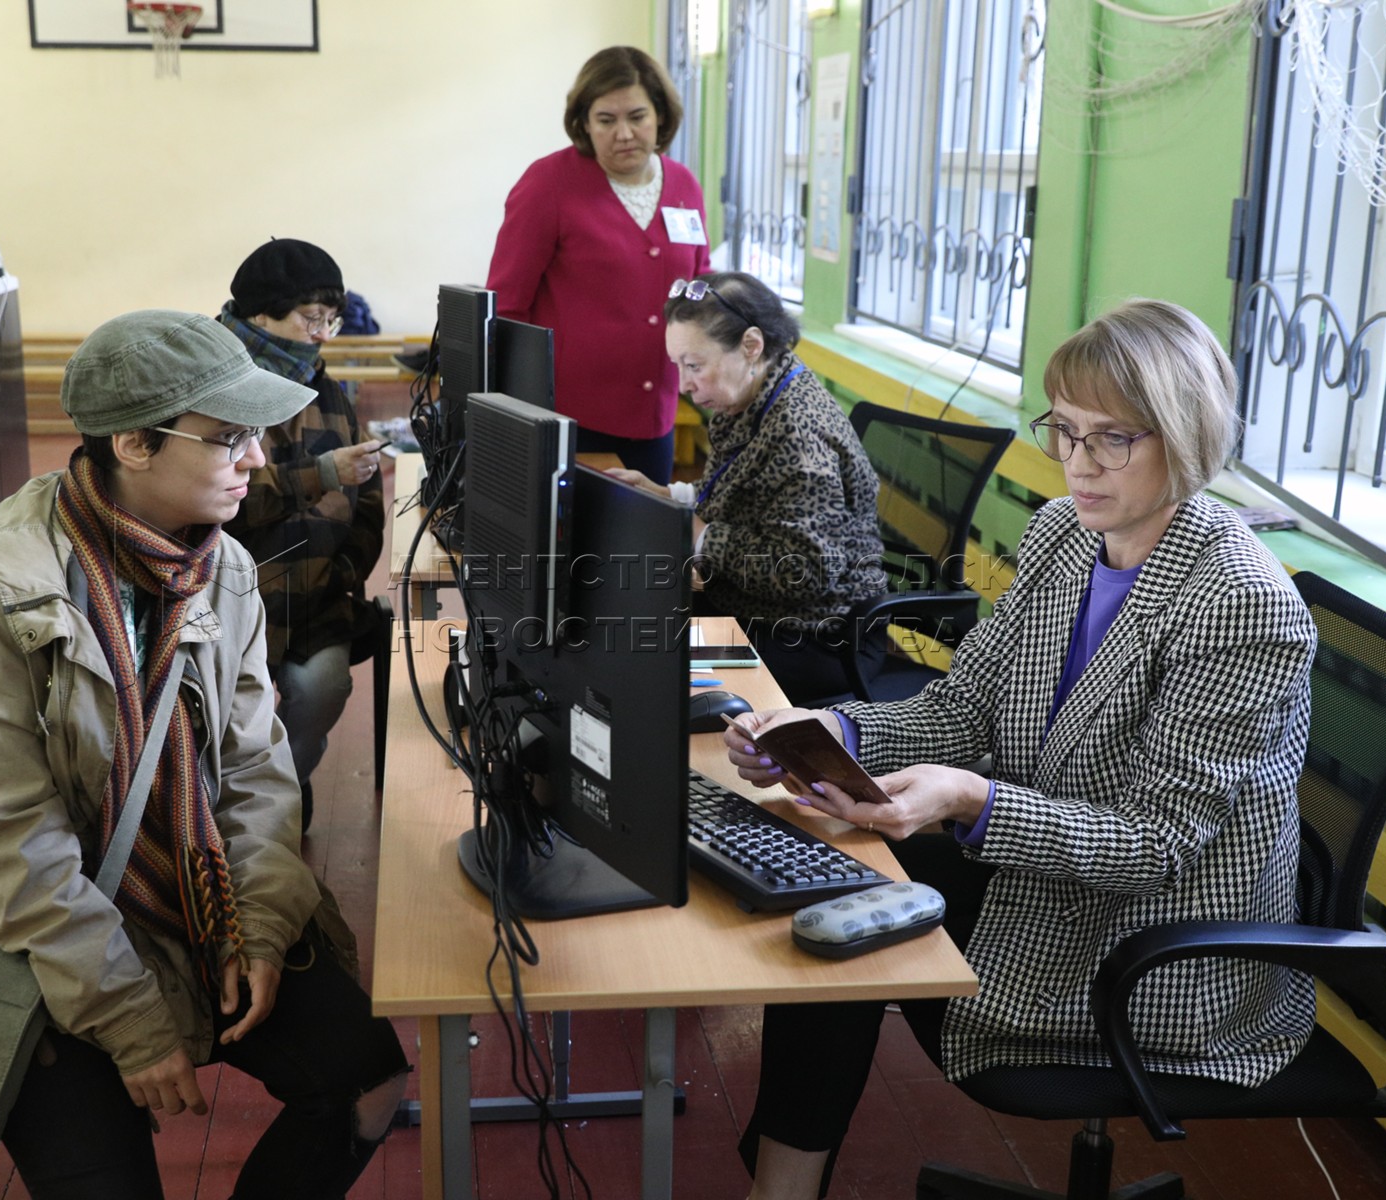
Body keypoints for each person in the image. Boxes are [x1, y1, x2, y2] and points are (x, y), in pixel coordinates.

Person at [723, 299, 1318, 1199]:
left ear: (1186, 436)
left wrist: (970, 800)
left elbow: (1155, 845)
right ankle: (781, 1187)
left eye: (1111, 440)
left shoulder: (1241, 603)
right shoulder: (1062, 535)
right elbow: (965, 708)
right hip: (1057, 870)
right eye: (1064, 432)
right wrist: (828, 732)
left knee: (850, 926)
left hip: (1156, 945)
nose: (1077, 465)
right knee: (837, 890)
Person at [0, 310, 408, 1199]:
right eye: (229, 439)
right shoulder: (2, 593)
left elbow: (254, 771)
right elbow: (8, 842)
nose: (256, 459)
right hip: (36, 939)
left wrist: (260, 925)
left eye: (256, 435)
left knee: (369, 1084)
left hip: (192, 892)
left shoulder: (222, 566)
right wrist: (129, 1018)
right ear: (133, 444)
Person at [609, 271, 887, 704]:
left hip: (817, 638)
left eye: (694, 365)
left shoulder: (799, 435)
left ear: (751, 346)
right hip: (757, 611)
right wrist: (668, 496)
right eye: (678, 366)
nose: (683, 385)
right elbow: (747, 490)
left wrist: (699, 534)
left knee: (640, 657)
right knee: (623, 621)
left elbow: (806, 571)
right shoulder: (754, 391)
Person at [218, 239, 387, 832]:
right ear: (260, 315)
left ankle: (287, 789)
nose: (324, 335)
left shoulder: (328, 391)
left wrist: (342, 576)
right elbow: (216, 505)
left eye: (331, 320)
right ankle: (234, 806)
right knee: (227, 710)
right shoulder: (217, 388)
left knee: (322, 688)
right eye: (311, 319)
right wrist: (319, 475)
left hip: (315, 596)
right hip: (224, 604)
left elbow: (368, 510)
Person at [486, 45, 712, 484]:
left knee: (646, 546)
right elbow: (507, 306)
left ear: (660, 116)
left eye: (637, 117)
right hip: (567, 418)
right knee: (571, 550)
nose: (624, 133)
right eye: (606, 120)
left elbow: (698, 283)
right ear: (584, 124)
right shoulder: (549, 183)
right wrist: (515, 413)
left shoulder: (684, 185)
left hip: (655, 413)